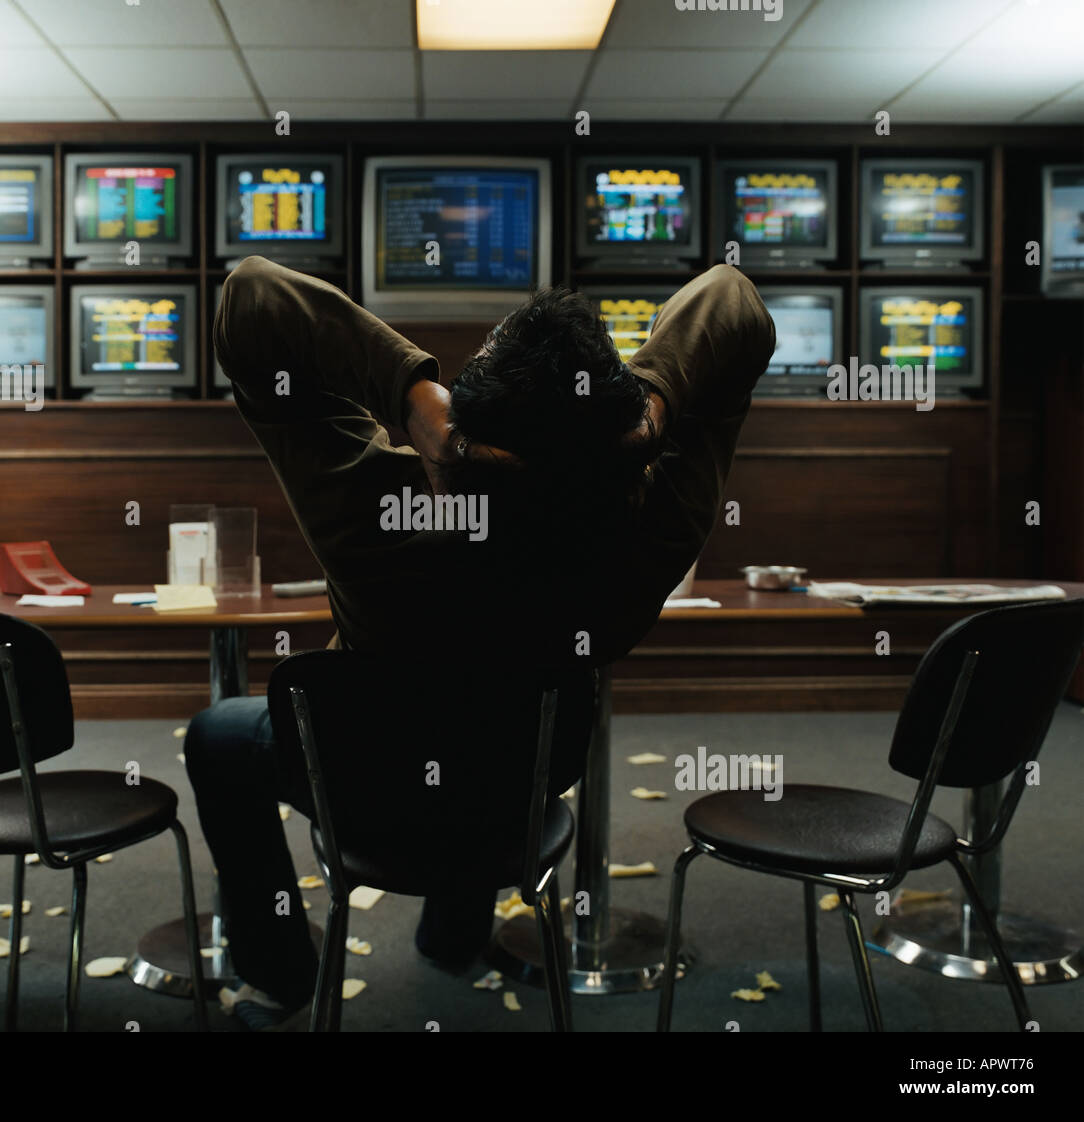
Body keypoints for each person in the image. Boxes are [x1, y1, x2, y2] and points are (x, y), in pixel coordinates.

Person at [184, 256, 775, 1029]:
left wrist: (412, 398)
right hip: (510, 797)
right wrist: (655, 409)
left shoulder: (377, 505)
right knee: (481, 723)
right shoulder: (647, 534)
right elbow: (736, 304)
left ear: (462, 423)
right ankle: (454, 935)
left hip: (362, 780)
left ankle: (283, 970)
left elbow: (252, 297)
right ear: (626, 441)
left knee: (217, 735)